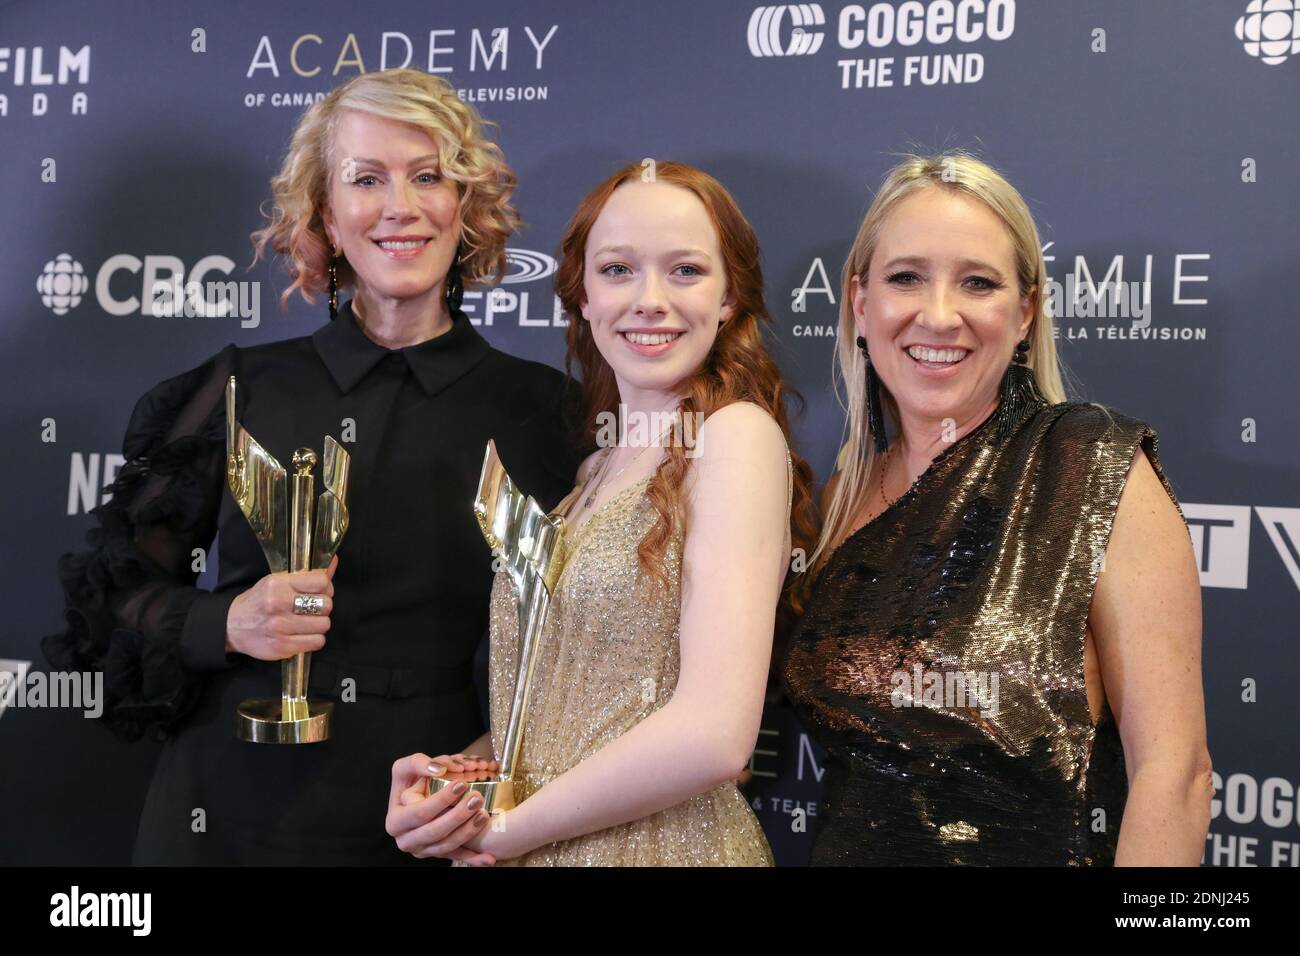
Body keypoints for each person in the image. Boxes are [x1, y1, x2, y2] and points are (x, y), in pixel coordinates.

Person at [43, 69, 579, 865]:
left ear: (464, 205)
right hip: (226, 818)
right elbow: (105, 606)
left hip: (431, 824)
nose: (400, 206)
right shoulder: (230, 392)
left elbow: (580, 652)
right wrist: (225, 622)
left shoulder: (548, 414)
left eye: (428, 176)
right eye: (367, 180)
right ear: (326, 213)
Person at [781, 152, 1213, 866]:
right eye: (906, 278)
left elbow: (1176, 777)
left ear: (1024, 312)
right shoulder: (842, 498)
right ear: (861, 303)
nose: (940, 314)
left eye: (978, 282)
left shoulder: (1093, 465)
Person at [385, 161, 815, 866]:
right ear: (582, 295)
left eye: (685, 271)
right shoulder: (592, 471)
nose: (650, 300)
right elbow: (569, 713)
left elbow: (715, 735)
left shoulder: (734, 439)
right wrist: (457, 785)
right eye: (617, 270)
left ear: (730, 295)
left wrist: (506, 833)